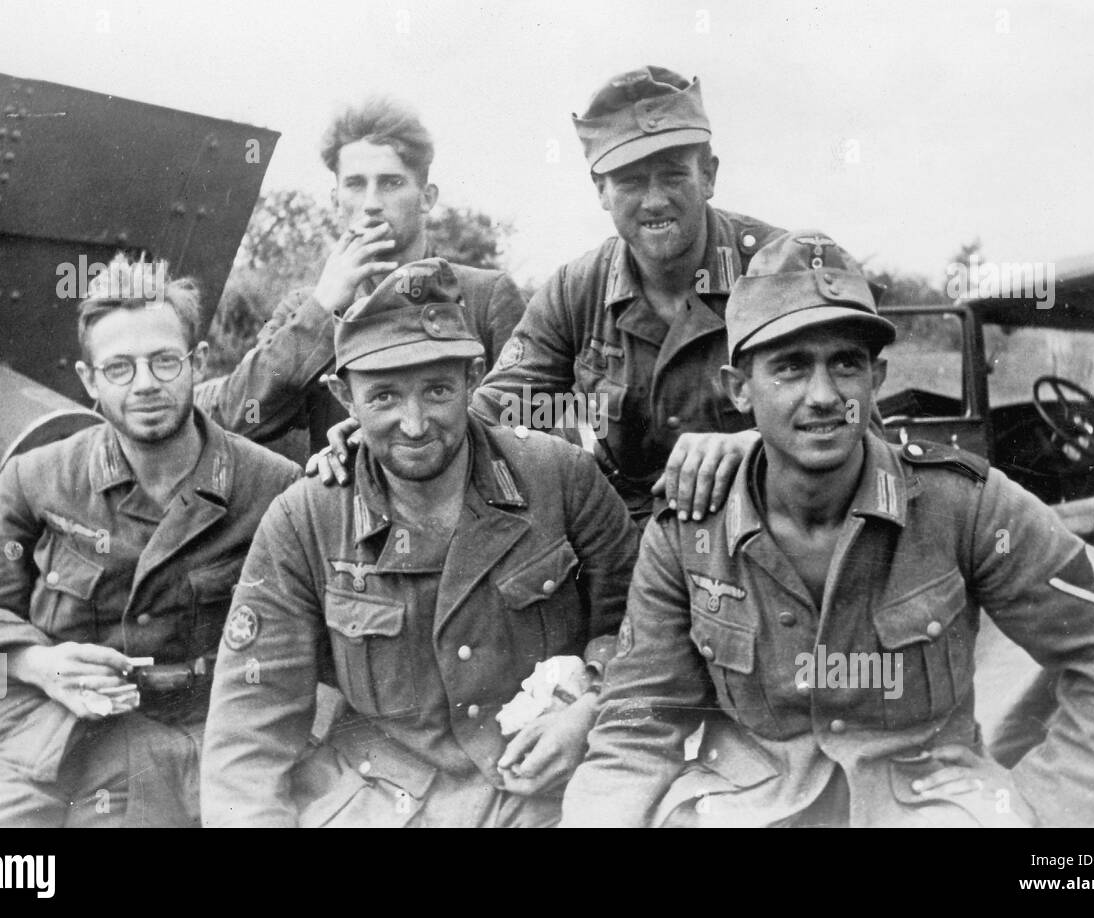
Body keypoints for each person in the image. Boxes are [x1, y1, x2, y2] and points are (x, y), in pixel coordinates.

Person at [561, 231, 1094, 827]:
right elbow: (637, 727)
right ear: (738, 390)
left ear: (876, 381)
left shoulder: (962, 504)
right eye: (791, 368)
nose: (825, 395)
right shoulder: (688, 531)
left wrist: (1036, 807)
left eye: (847, 365)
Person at [201, 258, 638, 827]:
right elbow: (249, 731)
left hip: (546, 792)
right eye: (383, 397)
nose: (414, 423)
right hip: (379, 799)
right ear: (343, 395)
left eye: (436, 390)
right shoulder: (306, 518)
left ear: (473, 377)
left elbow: (642, 629)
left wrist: (591, 708)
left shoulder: (558, 478)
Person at [313, 67, 790, 525]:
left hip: (764, 524)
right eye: (629, 181)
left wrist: (755, 444)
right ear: (600, 190)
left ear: (708, 174)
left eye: (673, 175)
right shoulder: (577, 290)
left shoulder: (778, 270)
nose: (654, 200)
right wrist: (383, 432)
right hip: (627, 541)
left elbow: (860, 416)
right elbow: (498, 409)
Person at [0, 255, 300, 827]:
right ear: (89, 381)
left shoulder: (272, 486)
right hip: (55, 737)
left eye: (164, 362)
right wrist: (38, 663)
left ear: (197, 364)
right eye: (120, 368)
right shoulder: (36, 479)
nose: (146, 384)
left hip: (206, 743)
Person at [207, 97, 526, 455]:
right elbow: (236, 420)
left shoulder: (485, 298)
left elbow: (531, 426)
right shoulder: (306, 309)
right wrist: (322, 308)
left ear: (426, 197)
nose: (371, 203)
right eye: (355, 184)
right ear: (335, 198)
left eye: (391, 183)